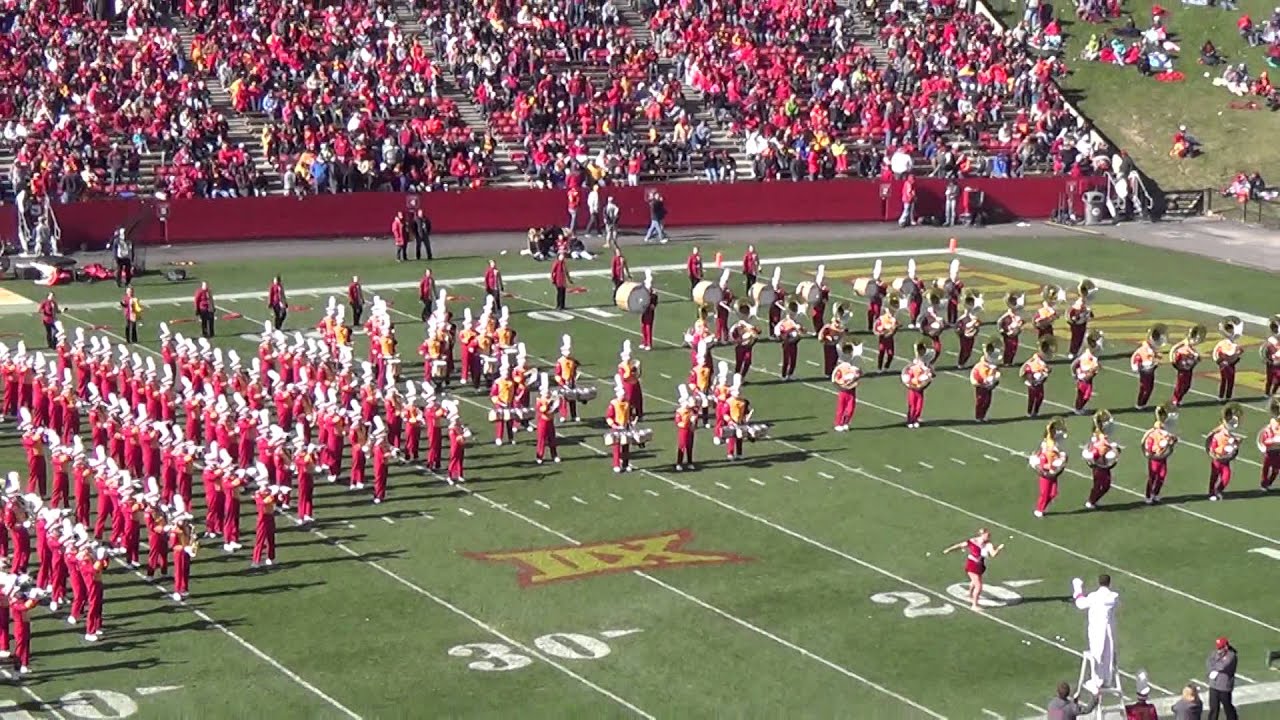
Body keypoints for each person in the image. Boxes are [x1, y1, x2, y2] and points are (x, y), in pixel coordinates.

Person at [1072, 574, 1120, 695]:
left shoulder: (1094, 596)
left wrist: (1078, 589)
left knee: (1097, 653)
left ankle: (1097, 680)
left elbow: (1080, 604)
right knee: (1108, 653)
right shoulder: (1114, 596)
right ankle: (1107, 679)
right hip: (1109, 628)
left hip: (1096, 628)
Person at [942, 528, 1004, 611]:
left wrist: (998, 549)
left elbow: (993, 554)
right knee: (978, 585)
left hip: (980, 566)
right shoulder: (973, 541)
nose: (989, 537)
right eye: (987, 535)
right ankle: (974, 605)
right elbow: (960, 545)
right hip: (972, 565)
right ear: (982, 535)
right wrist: (949, 549)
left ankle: (969, 593)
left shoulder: (988, 544)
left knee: (974, 582)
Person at [1207, 637, 1238, 720]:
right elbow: (1209, 662)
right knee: (1213, 708)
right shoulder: (1215, 652)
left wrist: (1214, 667)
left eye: (1220, 648)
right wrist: (1213, 667)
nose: (1218, 650)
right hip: (1214, 685)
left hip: (1224, 686)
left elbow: (1222, 666)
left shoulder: (1231, 655)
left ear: (1226, 646)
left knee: (1227, 707)